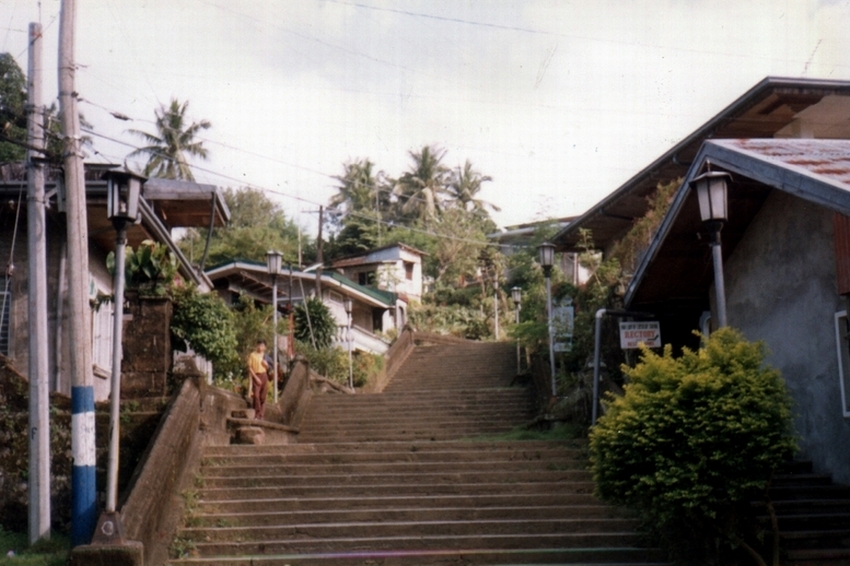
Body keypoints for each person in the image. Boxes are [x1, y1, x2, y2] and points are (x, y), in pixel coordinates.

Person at [247, 339, 269, 420]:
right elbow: (250, 368)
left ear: (265, 348)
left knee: (263, 397)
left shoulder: (265, 356)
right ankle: (257, 413)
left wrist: (266, 365)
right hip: (256, 375)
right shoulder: (253, 355)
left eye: (262, 345)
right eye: (259, 345)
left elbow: (268, 368)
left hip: (264, 375)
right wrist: (255, 378)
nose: (260, 347)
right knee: (256, 395)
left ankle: (261, 415)